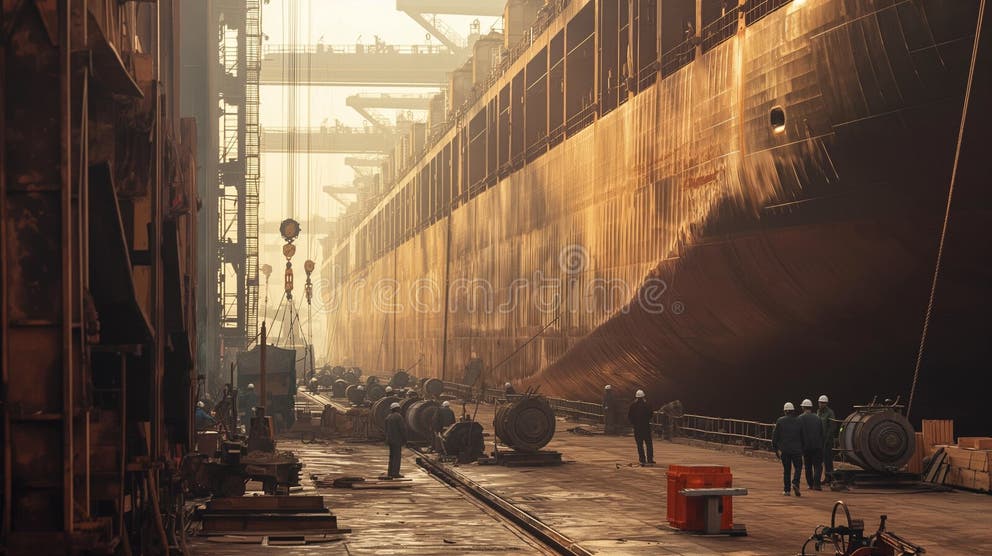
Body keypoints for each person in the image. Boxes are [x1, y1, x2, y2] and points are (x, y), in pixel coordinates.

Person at [772, 402, 805, 497]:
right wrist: (803, 449)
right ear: (793, 411)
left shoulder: (780, 421)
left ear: (785, 411)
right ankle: (796, 482)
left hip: (785, 450)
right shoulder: (799, 421)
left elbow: (775, 437)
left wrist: (776, 449)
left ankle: (787, 490)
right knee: (798, 467)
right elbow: (803, 436)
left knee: (787, 470)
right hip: (797, 450)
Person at [799, 398, 824, 490]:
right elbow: (822, 433)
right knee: (818, 466)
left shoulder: (800, 418)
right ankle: (817, 484)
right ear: (811, 407)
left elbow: (799, 433)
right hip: (817, 446)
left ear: (803, 407)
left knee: (808, 466)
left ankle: (810, 484)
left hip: (806, 447)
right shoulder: (818, 418)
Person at [627, 389, 655, 466]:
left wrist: (634, 423)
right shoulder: (647, 404)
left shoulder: (633, 405)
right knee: (649, 444)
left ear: (636, 397)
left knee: (639, 444)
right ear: (643, 397)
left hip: (637, 428)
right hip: (646, 427)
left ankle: (642, 460)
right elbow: (651, 414)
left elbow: (629, 416)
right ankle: (650, 459)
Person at [384, 402, 407, 479]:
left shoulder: (388, 417)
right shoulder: (398, 417)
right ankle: (395, 473)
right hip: (397, 440)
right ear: (397, 409)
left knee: (392, 456)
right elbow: (402, 429)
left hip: (390, 440)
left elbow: (385, 429)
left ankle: (390, 472)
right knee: (397, 457)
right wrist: (405, 439)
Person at [818, 394, 837, 483]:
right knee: (821, 460)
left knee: (828, 460)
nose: (822, 404)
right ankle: (826, 477)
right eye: (820, 402)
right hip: (820, 440)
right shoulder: (818, 412)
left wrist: (827, 439)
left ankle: (830, 478)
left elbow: (832, 427)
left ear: (826, 403)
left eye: (823, 403)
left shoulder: (830, 412)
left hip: (827, 441)